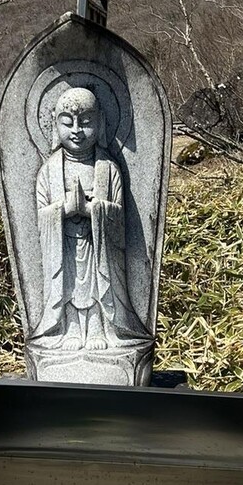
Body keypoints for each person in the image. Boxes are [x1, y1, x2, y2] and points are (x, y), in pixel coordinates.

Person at [33, 85, 146, 349]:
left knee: (98, 286)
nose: (76, 131)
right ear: (55, 124)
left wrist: (90, 210)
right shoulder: (48, 171)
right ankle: (71, 329)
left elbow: (118, 215)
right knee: (68, 287)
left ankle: (97, 328)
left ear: (101, 122)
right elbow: (41, 218)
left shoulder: (108, 169)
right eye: (67, 123)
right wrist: (63, 210)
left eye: (85, 122)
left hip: (99, 248)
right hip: (65, 246)